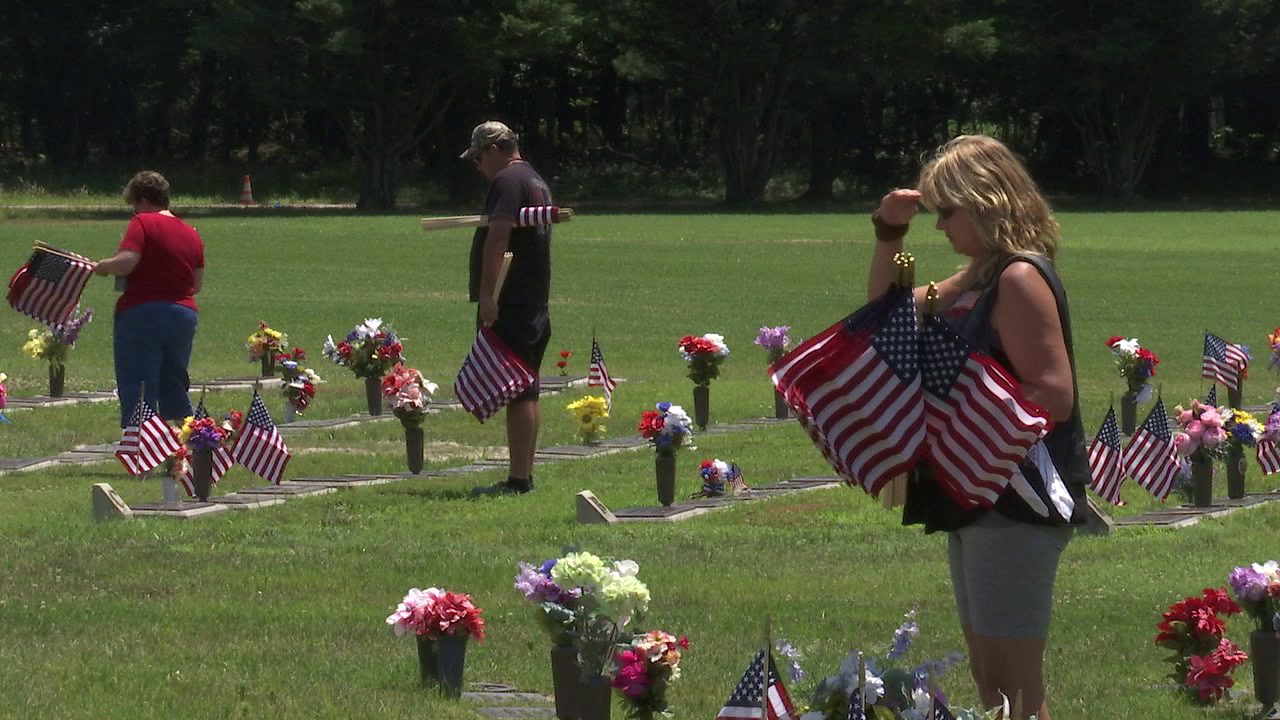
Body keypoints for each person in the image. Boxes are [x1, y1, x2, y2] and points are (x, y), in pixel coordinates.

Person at [867, 135, 1086, 720]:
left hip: (1015, 500)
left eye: (947, 212)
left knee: (1015, 688)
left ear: (985, 203)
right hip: (975, 497)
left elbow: (1053, 395)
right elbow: (885, 317)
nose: (940, 227)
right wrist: (890, 234)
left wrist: (958, 424)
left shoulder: (1017, 279)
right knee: (992, 681)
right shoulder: (973, 281)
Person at [461, 121, 554, 496]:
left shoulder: (507, 182)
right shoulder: (535, 180)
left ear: (497, 148)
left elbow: (499, 235)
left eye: (480, 157)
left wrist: (488, 296)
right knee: (526, 388)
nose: (479, 166)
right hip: (533, 298)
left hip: (511, 299)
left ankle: (518, 479)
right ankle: (523, 475)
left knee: (518, 391)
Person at [93, 171, 204, 428]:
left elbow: (127, 262)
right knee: (174, 384)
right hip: (183, 314)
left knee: (139, 385)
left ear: (143, 201)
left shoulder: (143, 223)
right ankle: (183, 448)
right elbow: (196, 285)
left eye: (134, 205)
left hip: (141, 314)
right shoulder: (191, 233)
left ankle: (142, 451)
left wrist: (105, 265)